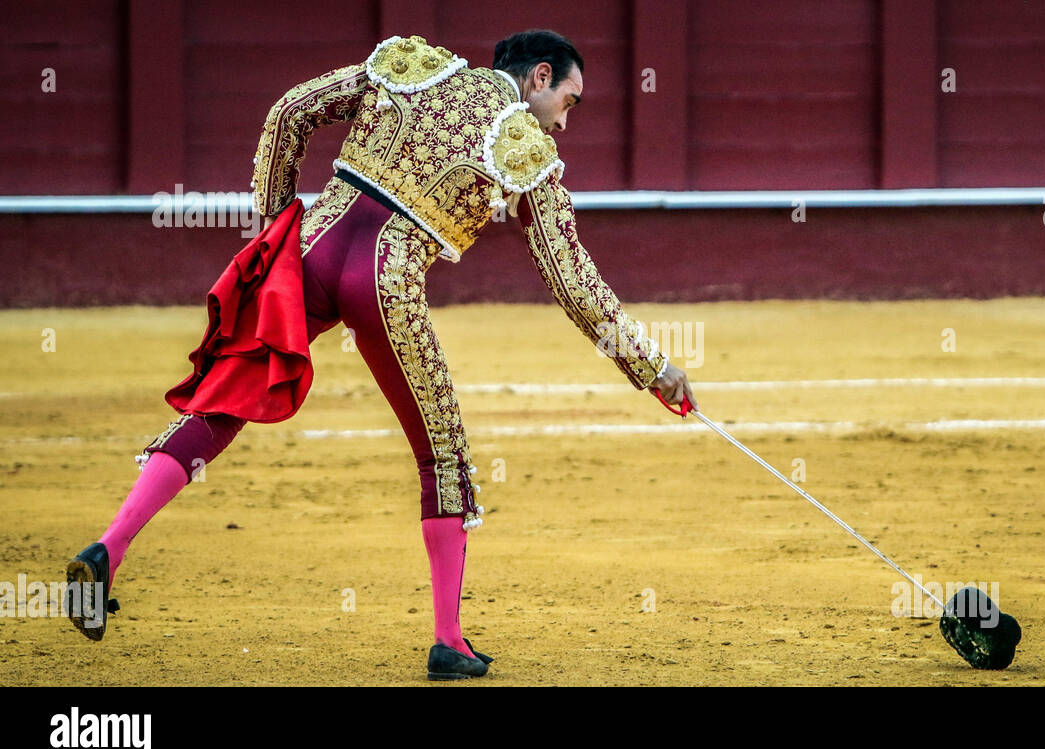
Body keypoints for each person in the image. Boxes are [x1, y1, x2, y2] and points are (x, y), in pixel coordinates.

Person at [66, 29, 698, 681]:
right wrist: (654, 368)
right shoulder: (526, 149)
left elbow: (289, 112)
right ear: (540, 77)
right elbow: (573, 283)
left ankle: (107, 549)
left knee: (226, 398)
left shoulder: (411, 66)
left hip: (311, 252)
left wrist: (276, 225)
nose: (565, 123)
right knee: (442, 452)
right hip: (384, 281)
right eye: (570, 101)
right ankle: (449, 639)